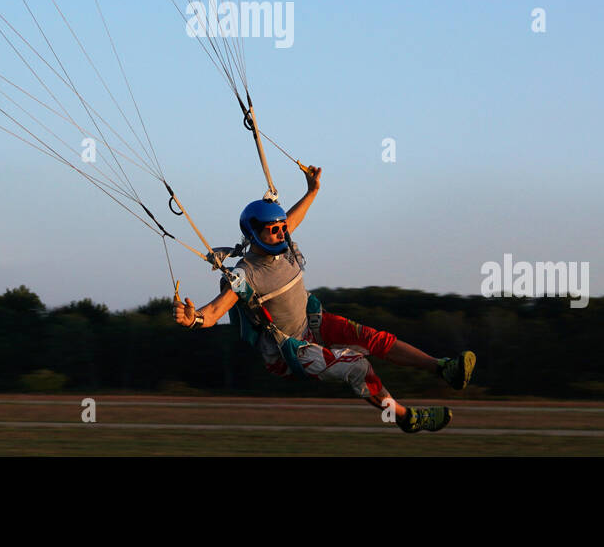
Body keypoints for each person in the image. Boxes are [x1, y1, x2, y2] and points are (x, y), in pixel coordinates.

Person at [173, 165, 476, 433]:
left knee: (375, 339)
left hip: (312, 323)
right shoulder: (246, 274)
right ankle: (407, 418)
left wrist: (312, 190)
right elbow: (213, 312)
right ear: (254, 234)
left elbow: (294, 217)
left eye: (282, 228)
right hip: (289, 350)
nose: (281, 233)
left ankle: (443, 368)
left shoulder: (284, 243)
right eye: (273, 230)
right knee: (357, 367)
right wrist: (193, 320)